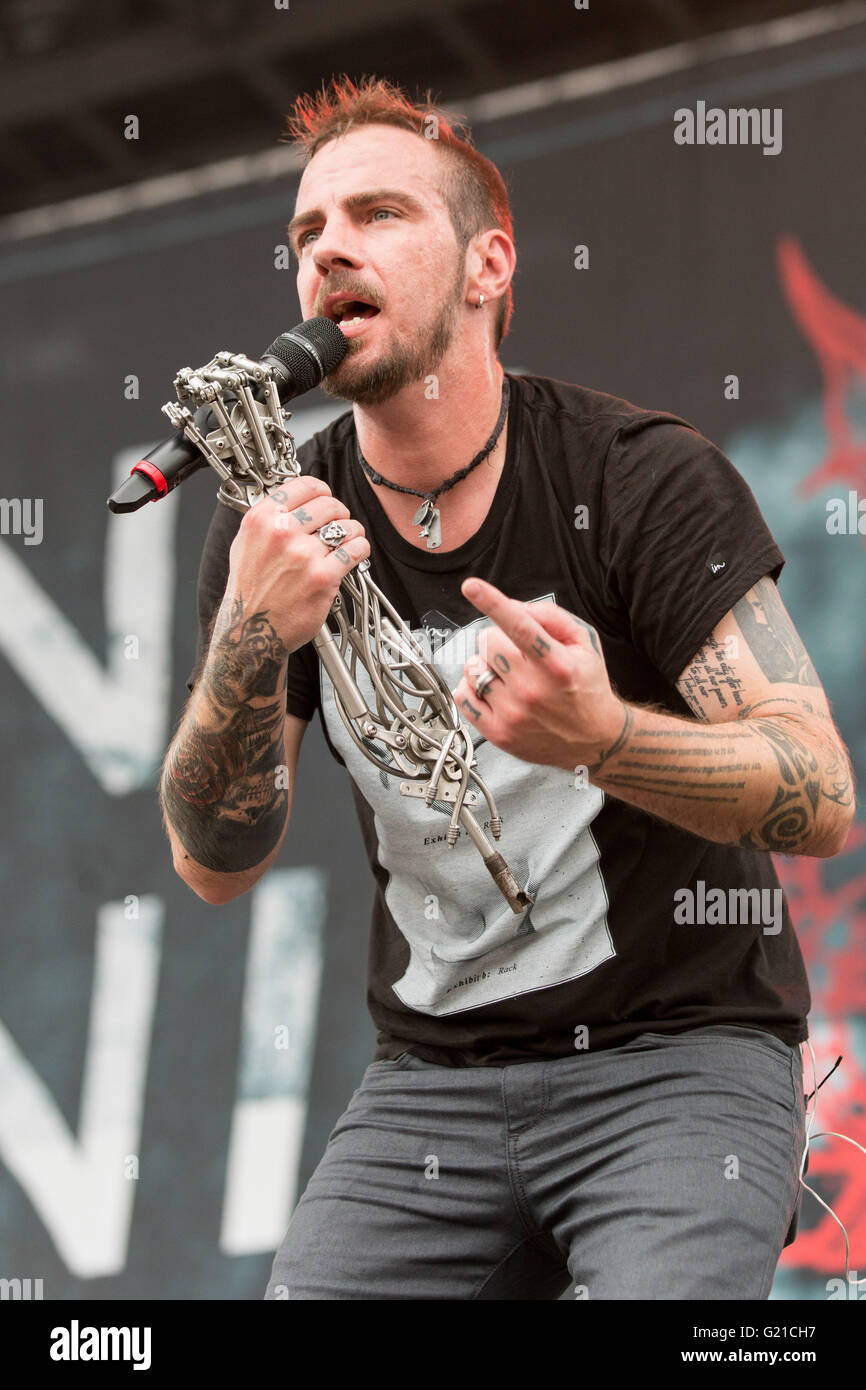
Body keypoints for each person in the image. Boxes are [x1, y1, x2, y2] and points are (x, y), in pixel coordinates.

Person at [159, 76, 855, 1300]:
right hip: (430, 1087)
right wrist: (246, 640)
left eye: (377, 215)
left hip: (677, 1059)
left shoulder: (637, 476)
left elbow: (816, 788)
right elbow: (213, 865)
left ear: (487, 266)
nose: (330, 252)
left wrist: (602, 739)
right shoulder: (275, 522)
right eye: (305, 235)